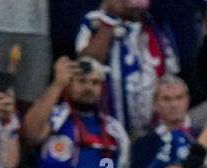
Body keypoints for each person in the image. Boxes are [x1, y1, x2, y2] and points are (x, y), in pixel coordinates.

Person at [22, 56, 130, 168]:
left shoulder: (113, 130)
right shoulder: (55, 117)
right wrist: (57, 84)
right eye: (82, 81)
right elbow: (31, 134)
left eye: (95, 83)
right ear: (69, 83)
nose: (89, 87)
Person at [76, 0, 180, 138]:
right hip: (107, 127)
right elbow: (88, 63)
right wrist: (108, 20)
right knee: (106, 161)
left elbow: (171, 76)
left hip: (152, 129)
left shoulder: (157, 26)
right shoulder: (95, 21)